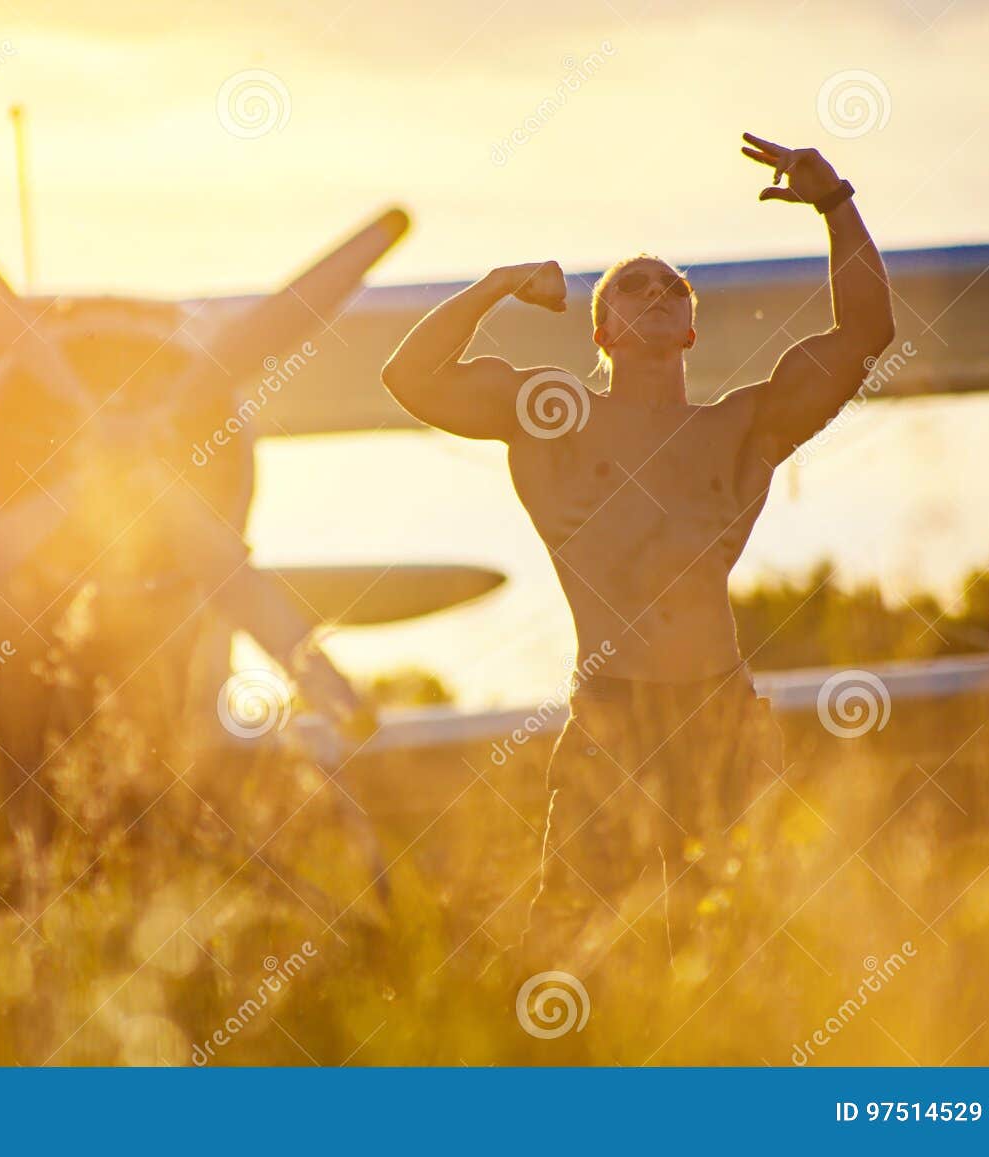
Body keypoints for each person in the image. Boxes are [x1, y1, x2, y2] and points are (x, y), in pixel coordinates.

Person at [381, 132, 895, 965]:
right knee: (578, 951)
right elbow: (410, 376)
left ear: (691, 328)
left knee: (738, 948)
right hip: (610, 720)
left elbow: (867, 333)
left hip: (721, 716)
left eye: (673, 288)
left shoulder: (742, 429)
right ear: (604, 331)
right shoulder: (550, 419)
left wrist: (836, 202)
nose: (656, 292)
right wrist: (502, 283)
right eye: (633, 285)